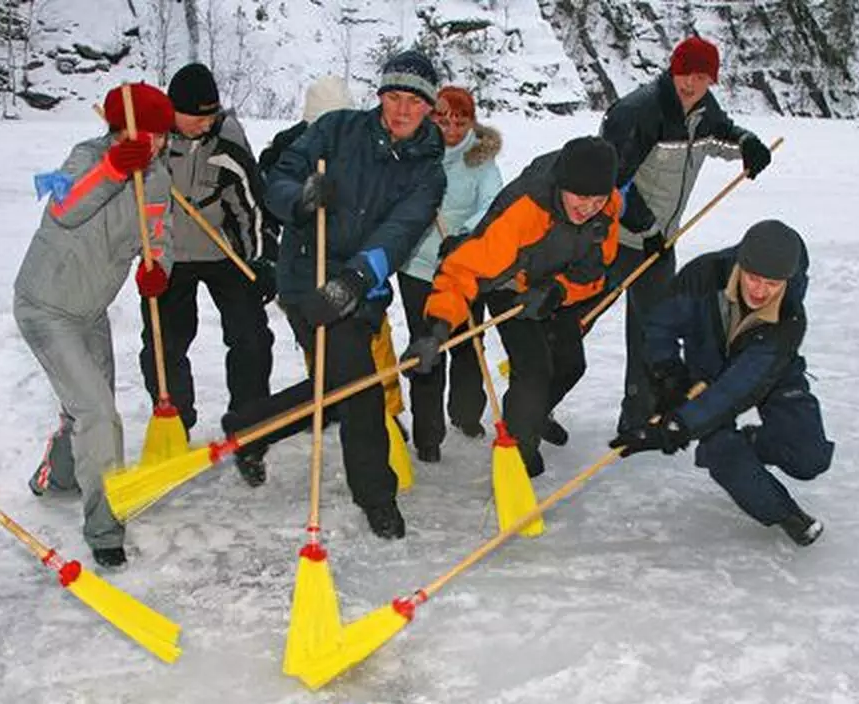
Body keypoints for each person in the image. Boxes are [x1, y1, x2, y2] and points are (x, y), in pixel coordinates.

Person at [224, 50, 446, 539]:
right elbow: (277, 178)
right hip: (306, 275)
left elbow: (399, 233)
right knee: (360, 388)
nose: (402, 109)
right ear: (380, 97)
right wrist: (300, 199)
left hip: (360, 285)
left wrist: (356, 281)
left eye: (414, 100)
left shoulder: (430, 172)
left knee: (338, 385)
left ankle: (251, 427)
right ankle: (377, 498)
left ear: (430, 107)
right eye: (393, 96)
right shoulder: (336, 130)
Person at [16, 82, 175, 568]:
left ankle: (58, 476)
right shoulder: (86, 159)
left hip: (90, 312)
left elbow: (159, 235)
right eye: (145, 134)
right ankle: (105, 526)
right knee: (99, 415)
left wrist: (158, 270)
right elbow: (64, 210)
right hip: (45, 305)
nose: (155, 144)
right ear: (118, 129)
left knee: (85, 410)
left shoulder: (158, 178)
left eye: (162, 136)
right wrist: (111, 171)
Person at [404, 136, 622, 477]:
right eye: (581, 196)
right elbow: (464, 270)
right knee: (533, 371)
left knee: (570, 364)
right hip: (509, 285)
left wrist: (559, 292)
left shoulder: (608, 206)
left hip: (554, 288)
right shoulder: (523, 210)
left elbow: (596, 269)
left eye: (598, 198)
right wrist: (438, 327)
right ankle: (518, 451)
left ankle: (530, 418)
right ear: (562, 184)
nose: (589, 207)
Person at [610, 220, 833, 546]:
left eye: (771, 283)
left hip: (769, 374)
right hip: (706, 368)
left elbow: (737, 388)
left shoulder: (789, 320)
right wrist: (669, 375)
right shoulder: (704, 275)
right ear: (740, 264)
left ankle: (753, 442)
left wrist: (680, 426)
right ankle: (785, 515)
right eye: (753, 278)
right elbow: (660, 326)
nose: (759, 291)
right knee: (721, 449)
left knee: (810, 457)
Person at [600, 36, 773, 434]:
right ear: (672, 69)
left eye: (700, 77)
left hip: (659, 245)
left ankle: (638, 415)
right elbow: (612, 181)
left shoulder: (704, 110)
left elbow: (720, 134)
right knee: (578, 319)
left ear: (710, 80)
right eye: (684, 73)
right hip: (614, 240)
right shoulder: (638, 112)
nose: (690, 84)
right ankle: (542, 402)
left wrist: (747, 145)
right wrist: (643, 228)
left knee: (651, 328)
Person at [141, 62, 275, 488]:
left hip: (223, 253)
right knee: (164, 344)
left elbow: (252, 207)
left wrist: (260, 260)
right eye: (194, 116)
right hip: (166, 258)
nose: (203, 124)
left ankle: (249, 431)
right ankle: (175, 424)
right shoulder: (152, 141)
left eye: (210, 116)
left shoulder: (228, 143)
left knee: (251, 338)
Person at [258, 75, 408, 434]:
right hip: (306, 270)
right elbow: (274, 195)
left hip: (357, 267)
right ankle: (324, 408)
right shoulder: (290, 153)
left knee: (377, 340)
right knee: (325, 351)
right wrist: (303, 199)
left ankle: (386, 415)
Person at [399, 85, 503, 460]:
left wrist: (463, 237)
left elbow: (493, 203)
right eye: (443, 120)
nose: (451, 130)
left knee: (466, 343)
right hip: (418, 267)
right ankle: (428, 436)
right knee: (426, 348)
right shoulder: (413, 152)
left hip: (462, 267)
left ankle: (466, 413)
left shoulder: (480, 160)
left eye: (460, 122)